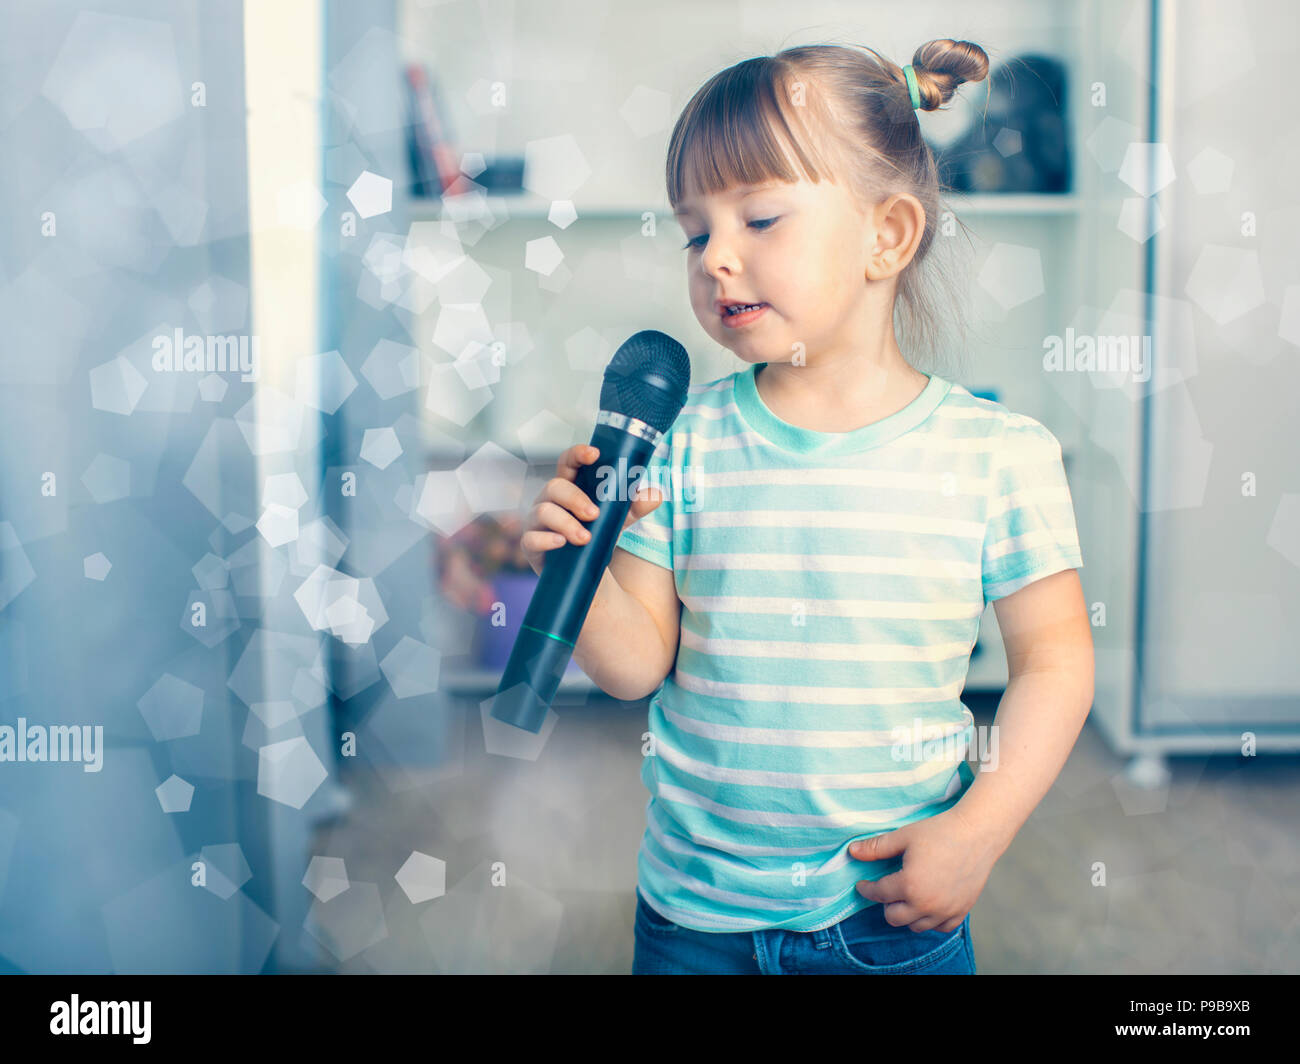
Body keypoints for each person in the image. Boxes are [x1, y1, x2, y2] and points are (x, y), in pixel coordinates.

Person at [521, 40, 1094, 975]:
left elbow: (1056, 665)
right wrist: (573, 563)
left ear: (888, 236)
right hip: (694, 916)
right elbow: (635, 667)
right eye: (696, 234)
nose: (718, 259)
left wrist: (978, 833)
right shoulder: (685, 445)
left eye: (759, 218)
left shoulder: (997, 456)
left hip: (885, 919)